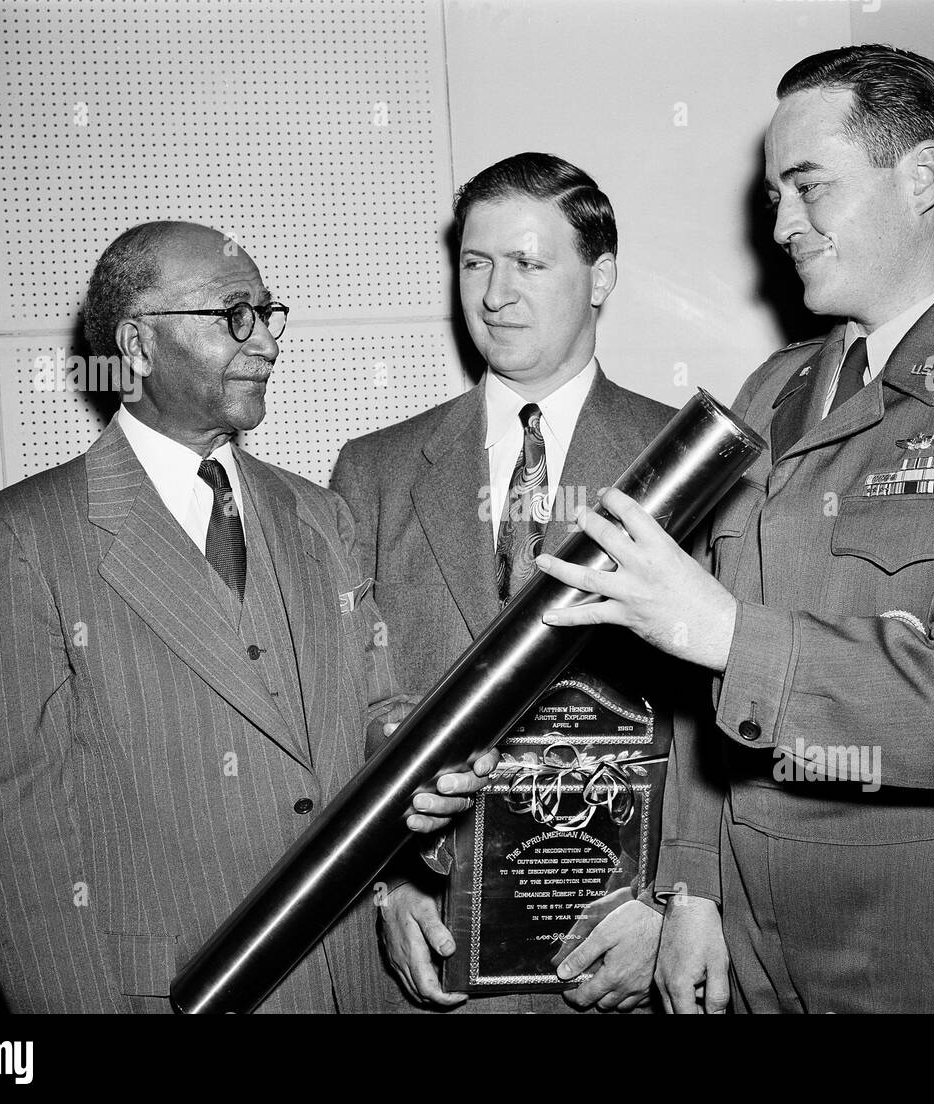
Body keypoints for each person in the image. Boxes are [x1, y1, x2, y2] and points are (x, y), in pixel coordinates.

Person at [537, 46, 934, 1013]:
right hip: (766, 939)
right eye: (776, 192)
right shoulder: (774, 389)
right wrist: (694, 884)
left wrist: (730, 635)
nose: (781, 225)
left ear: (924, 179)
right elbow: (708, 696)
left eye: (809, 187)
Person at [0, 220, 491, 1013]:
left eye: (269, 313)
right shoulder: (18, 543)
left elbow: (374, 713)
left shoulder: (318, 515)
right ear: (136, 343)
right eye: (235, 314)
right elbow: (15, 852)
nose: (265, 341)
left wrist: (426, 769)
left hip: (358, 988)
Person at [332, 153, 682, 1013]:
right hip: (437, 963)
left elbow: (725, 716)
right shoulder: (371, 473)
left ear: (600, 278)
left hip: (615, 957)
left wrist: (672, 910)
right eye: (475, 263)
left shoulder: (687, 465)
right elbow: (342, 708)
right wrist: (390, 885)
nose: (494, 295)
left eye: (529, 263)